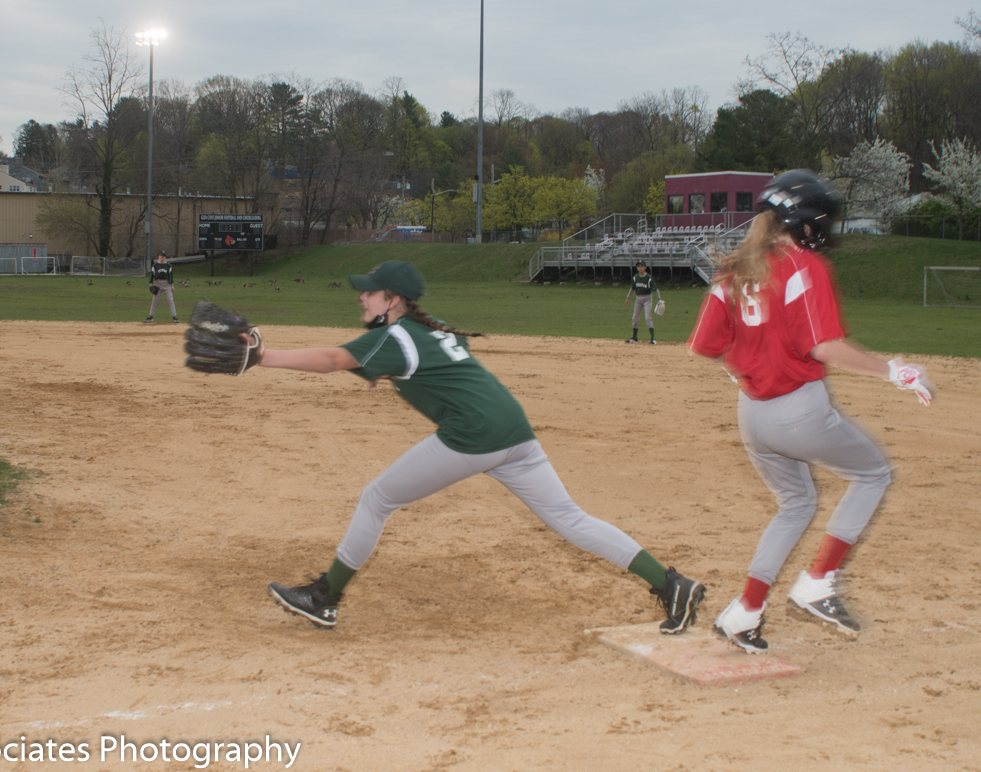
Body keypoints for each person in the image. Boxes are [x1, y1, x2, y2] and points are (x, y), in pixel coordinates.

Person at [259, 260, 705, 634]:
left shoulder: (397, 336)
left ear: (392, 300)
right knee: (571, 519)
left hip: (473, 437)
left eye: (371, 293)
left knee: (376, 498)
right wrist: (386, 373)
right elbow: (432, 371)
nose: (362, 297)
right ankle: (671, 584)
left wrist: (262, 356)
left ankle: (325, 596)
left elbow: (335, 360)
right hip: (514, 433)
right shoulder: (432, 331)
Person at [686, 170, 935, 654]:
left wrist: (747, 369)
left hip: (752, 415)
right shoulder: (804, 266)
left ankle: (746, 612)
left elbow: (706, 347)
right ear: (804, 222)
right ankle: (818, 582)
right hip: (798, 412)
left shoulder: (733, 270)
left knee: (795, 504)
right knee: (873, 474)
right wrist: (892, 370)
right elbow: (823, 346)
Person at [624, 261, 660, 344]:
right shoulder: (636, 277)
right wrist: (628, 297)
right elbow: (632, 288)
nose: (640, 268)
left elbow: (655, 289)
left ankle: (653, 339)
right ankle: (634, 338)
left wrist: (659, 299)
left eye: (642, 266)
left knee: (648, 318)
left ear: (645, 267)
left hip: (647, 298)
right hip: (638, 298)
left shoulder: (648, 278)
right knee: (635, 318)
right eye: (638, 266)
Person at [144, 251, 178, 323]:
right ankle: (151, 317)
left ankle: (174, 317)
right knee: (155, 301)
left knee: (170, 300)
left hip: (166, 284)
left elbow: (170, 276)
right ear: (158, 256)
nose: (162, 257)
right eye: (161, 256)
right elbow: (152, 275)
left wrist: (172, 286)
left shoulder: (168, 266)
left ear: (165, 257)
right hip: (157, 284)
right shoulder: (155, 265)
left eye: (163, 256)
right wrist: (150, 284)